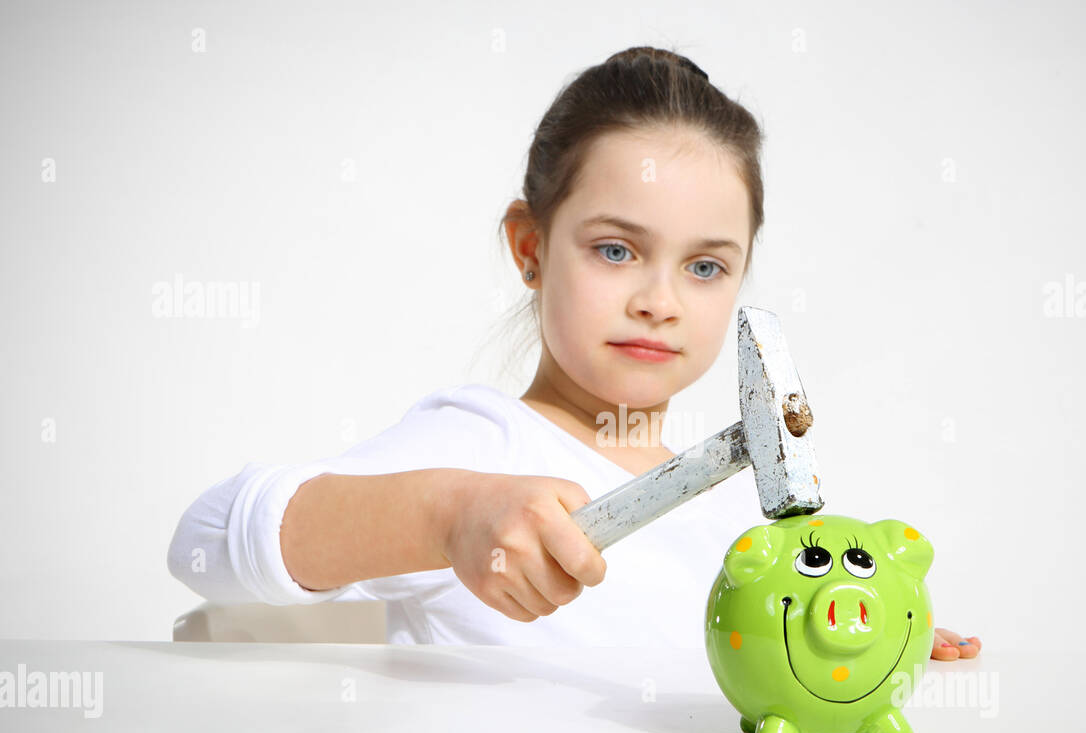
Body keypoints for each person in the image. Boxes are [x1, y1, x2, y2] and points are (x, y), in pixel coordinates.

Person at [167, 45, 982, 660]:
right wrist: (447, 518)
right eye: (617, 250)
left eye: (704, 267)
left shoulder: (741, 513)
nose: (658, 301)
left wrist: (862, 644)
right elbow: (202, 542)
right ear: (530, 247)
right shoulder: (485, 450)